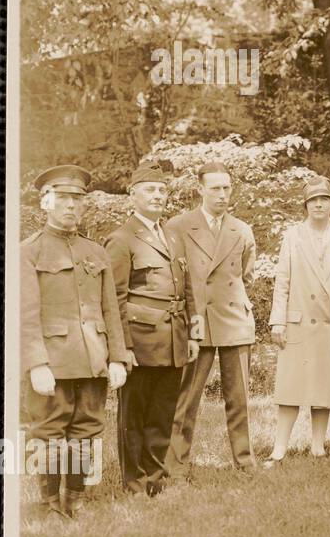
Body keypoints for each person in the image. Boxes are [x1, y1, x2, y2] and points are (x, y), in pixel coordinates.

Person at [20, 165, 128, 518]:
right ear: (45, 203)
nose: (71, 206)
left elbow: (111, 310)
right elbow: (25, 314)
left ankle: (74, 500)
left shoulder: (95, 252)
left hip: (92, 358)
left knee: (86, 429)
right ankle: (49, 503)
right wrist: (36, 364)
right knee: (49, 430)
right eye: (63, 198)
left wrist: (117, 357)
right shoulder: (29, 252)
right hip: (52, 361)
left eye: (77, 199)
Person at [104, 160, 199, 497]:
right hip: (139, 342)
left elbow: (186, 287)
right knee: (135, 416)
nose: (158, 195)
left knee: (162, 413)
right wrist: (122, 349)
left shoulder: (173, 236)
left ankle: (156, 481)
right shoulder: (121, 239)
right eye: (150, 190)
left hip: (173, 338)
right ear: (133, 195)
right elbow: (113, 299)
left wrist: (191, 334)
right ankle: (134, 483)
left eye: (162, 190)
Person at [165, 161, 259, 477]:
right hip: (196, 322)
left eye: (227, 188)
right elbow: (174, 277)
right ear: (200, 189)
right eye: (215, 188)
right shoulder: (178, 226)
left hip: (233, 319)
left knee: (239, 398)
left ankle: (244, 461)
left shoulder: (241, 229)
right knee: (186, 399)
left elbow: (245, 275)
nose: (222, 194)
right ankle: (177, 465)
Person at [265, 178, 330, 464]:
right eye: (313, 200)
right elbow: (282, 281)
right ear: (305, 205)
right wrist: (277, 321)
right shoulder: (292, 236)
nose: (318, 204)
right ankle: (279, 446)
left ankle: (318, 444)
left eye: (324, 199)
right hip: (298, 322)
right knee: (290, 387)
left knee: (324, 386)